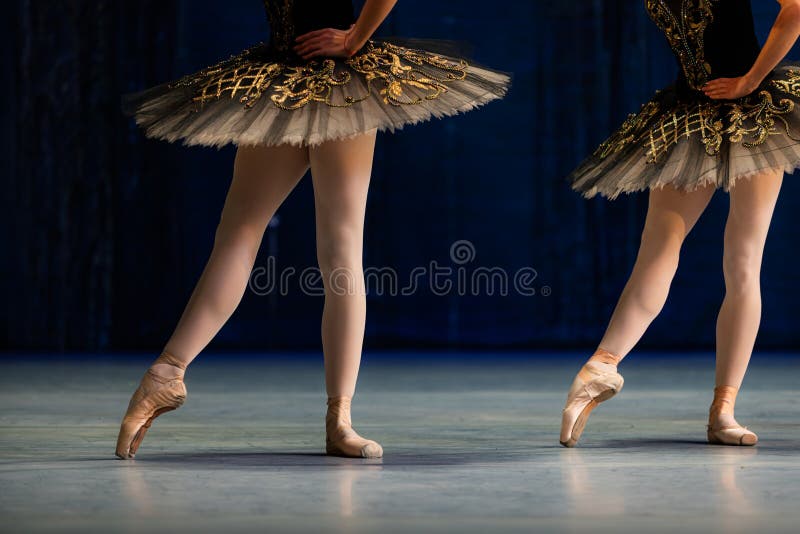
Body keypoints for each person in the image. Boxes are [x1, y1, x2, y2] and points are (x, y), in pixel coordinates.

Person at [115, 0, 509, 460]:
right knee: (300, 243)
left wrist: (354, 37)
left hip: (331, 77)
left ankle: (174, 374)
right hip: (286, 75)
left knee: (277, 240)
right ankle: (174, 375)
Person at [560, 0, 800, 447]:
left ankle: (600, 367)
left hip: (728, 109)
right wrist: (748, 81)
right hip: (714, 108)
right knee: (739, 261)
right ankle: (718, 411)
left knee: (669, 252)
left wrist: (750, 80)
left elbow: (795, 11)